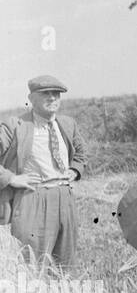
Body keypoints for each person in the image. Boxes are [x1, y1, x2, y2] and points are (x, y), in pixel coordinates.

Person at [0, 75, 88, 270]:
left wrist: (75, 170)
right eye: (45, 94)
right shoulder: (15, 125)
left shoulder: (67, 124)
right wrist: (11, 178)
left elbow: (81, 153)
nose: (52, 98)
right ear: (31, 98)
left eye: (56, 94)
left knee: (66, 264)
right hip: (33, 196)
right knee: (32, 265)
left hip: (65, 198)